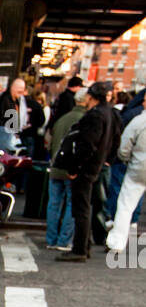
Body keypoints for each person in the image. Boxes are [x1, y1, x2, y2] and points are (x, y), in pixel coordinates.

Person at [56, 81, 115, 262]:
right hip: (96, 164)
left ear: (91, 97)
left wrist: (74, 168)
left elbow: (87, 145)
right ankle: (83, 246)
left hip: (86, 167)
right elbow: (114, 139)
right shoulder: (109, 114)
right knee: (87, 207)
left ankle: (80, 248)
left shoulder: (95, 116)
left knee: (80, 208)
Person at [45, 86, 86, 249]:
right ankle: (63, 240)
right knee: (71, 204)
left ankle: (51, 239)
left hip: (56, 167)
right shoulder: (84, 120)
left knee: (54, 204)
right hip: (71, 170)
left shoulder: (62, 119)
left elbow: (51, 142)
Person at [106, 93, 146, 254]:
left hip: (138, 167)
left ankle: (117, 242)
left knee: (125, 205)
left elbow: (124, 147)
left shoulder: (138, 121)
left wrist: (127, 159)